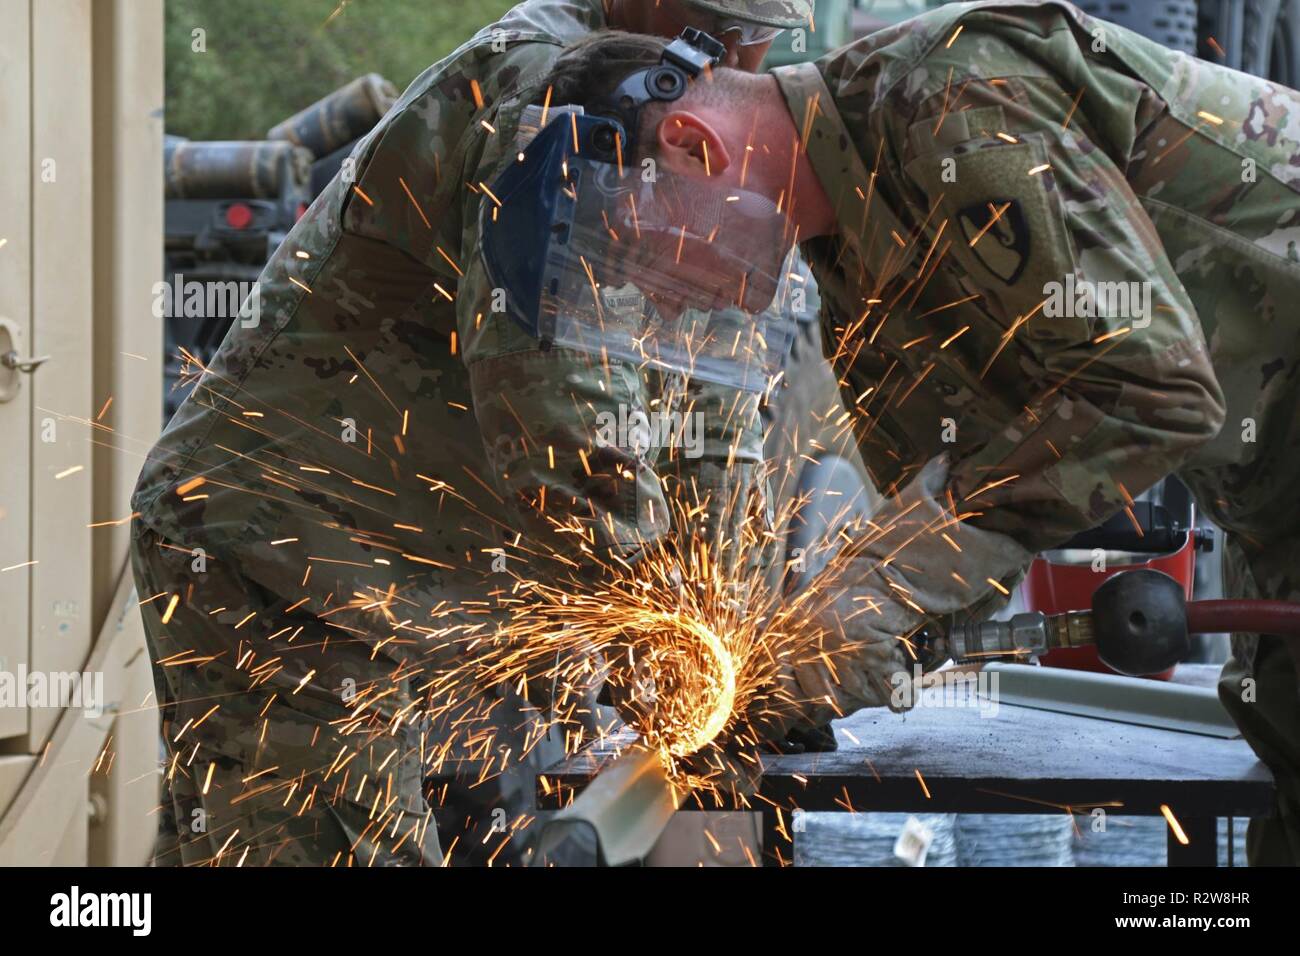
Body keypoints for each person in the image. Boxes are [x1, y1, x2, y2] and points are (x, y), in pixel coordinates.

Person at [520, 0, 1300, 865]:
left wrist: (876, 590)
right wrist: (790, 672)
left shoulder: (949, 97)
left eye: (640, 251)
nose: (662, 297)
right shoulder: (854, 270)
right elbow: (965, 527)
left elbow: (1152, 389)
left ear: (695, 148)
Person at [130, 0, 812, 867]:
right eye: (730, 25)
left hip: (374, 567)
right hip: (280, 551)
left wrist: (733, 628)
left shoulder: (671, 128)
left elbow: (704, 407)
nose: (750, 57)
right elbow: (557, 415)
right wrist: (665, 642)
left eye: (769, 36)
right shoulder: (557, 104)